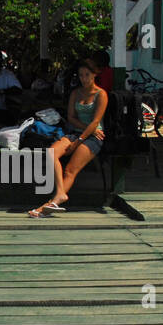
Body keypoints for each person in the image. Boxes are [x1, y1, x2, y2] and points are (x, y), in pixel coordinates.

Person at [29, 59, 107, 217]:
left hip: (94, 136)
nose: (84, 79)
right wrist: (79, 136)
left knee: (70, 169)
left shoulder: (101, 94)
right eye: (81, 75)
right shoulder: (76, 93)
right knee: (52, 152)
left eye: (87, 75)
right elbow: (71, 117)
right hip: (77, 131)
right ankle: (60, 193)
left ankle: (50, 204)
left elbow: (96, 122)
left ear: (94, 75)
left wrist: (81, 140)